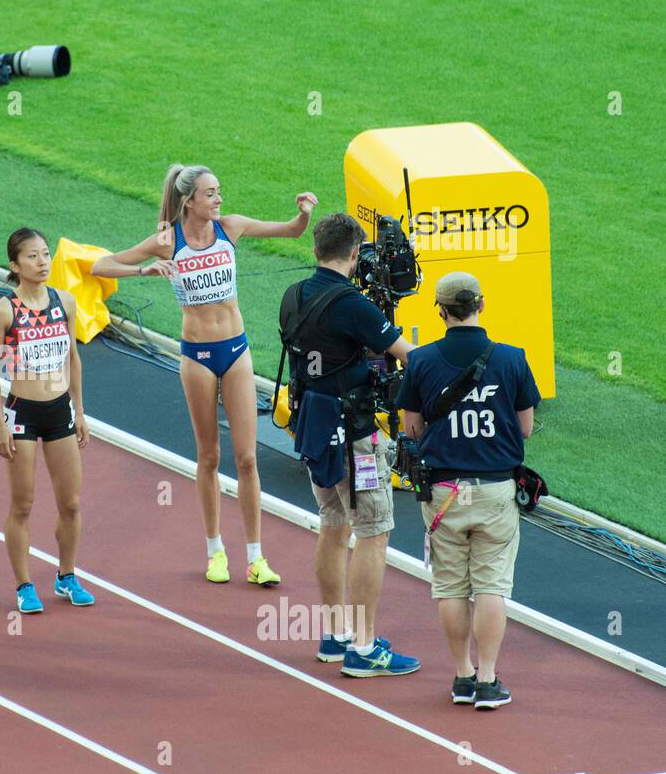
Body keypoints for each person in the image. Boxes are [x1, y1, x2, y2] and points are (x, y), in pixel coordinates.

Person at [90, 164, 317, 586]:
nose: (218, 200)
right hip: (196, 355)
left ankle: (255, 557)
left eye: (219, 192)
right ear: (189, 200)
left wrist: (303, 212)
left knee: (247, 458)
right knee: (209, 457)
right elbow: (101, 266)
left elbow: (291, 231)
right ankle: (215, 550)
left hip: (236, 351)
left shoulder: (231, 228)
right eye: (210, 194)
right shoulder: (166, 241)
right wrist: (143, 270)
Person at [278, 213, 419, 676]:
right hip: (354, 434)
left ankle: (336, 634)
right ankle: (364, 647)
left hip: (314, 429)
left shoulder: (291, 295)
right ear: (356, 254)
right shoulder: (354, 305)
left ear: (317, 247)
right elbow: (407, 357)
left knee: (332, 522)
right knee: (374, 531)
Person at [394, 272, 541, 709]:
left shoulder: (420, 362)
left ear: (440, 311)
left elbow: (411, 430)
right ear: (481, 304)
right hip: (496, 491)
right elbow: (526, 428)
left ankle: (462, 677)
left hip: (443, 495)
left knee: (452, 588)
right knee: (492, 586)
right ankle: (489, 681)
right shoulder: (513, 359)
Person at [0, 228, 93, 613]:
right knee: (23, 504)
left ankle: (66, 575)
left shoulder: (65, 301)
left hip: (59, 409)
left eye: (46, 254)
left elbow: (73, 359)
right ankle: (24, 584)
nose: (43, 262)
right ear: (15, 265)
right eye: (32, 256)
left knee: (72, 502)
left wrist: (80, 411)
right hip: (22, 414)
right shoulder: (3, 311)